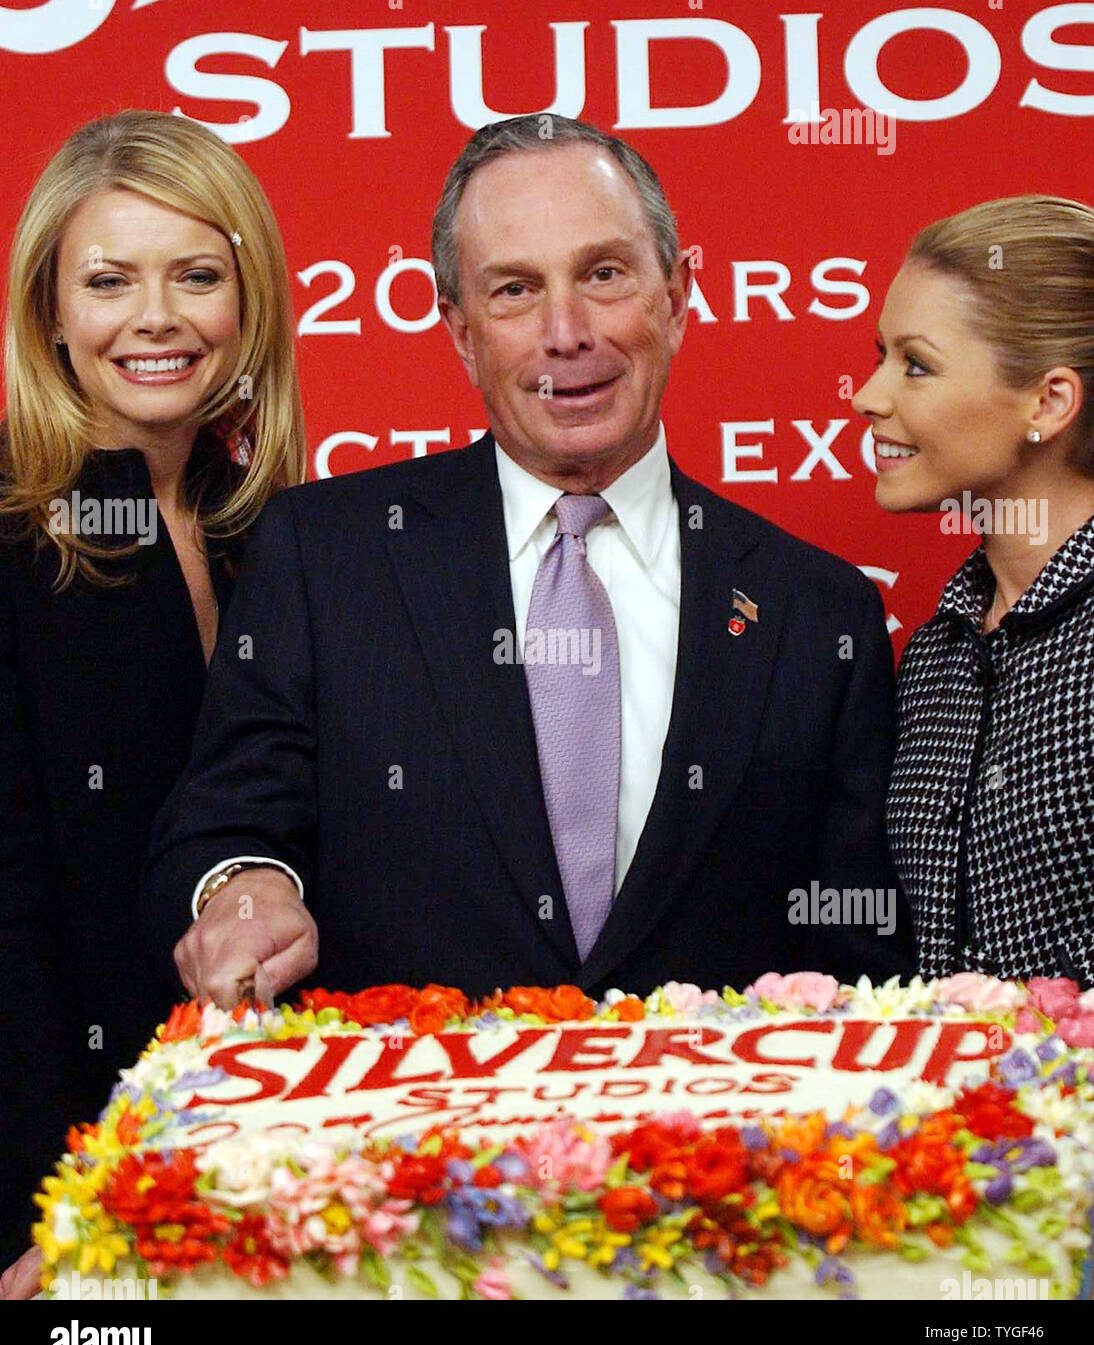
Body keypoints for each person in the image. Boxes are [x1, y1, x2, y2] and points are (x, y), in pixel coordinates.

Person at [142, 113, 909, 1020]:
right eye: (513, 291)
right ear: (462, 332)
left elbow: (862, 963)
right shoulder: (322, 555)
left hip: (716, 1153)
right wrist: (244, 889)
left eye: (604, 274)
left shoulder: (818, 610)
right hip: (402, 1142)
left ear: (678, 293)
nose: (566, 333)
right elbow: (228, 819)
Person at [0, 109, 306, 1286]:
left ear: (250, 301)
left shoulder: (282, 534)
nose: (157, 318)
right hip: (62, 1178)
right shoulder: (19, 533)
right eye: (110, 280)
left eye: (195, 275)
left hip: (260, 1154)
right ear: (53, 314)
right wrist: (54, 1196)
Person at [853, 195, 1094, 984]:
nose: (868, 396)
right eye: (881, 355)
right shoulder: (935, 653)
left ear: (1048, 402)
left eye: (915, 365)